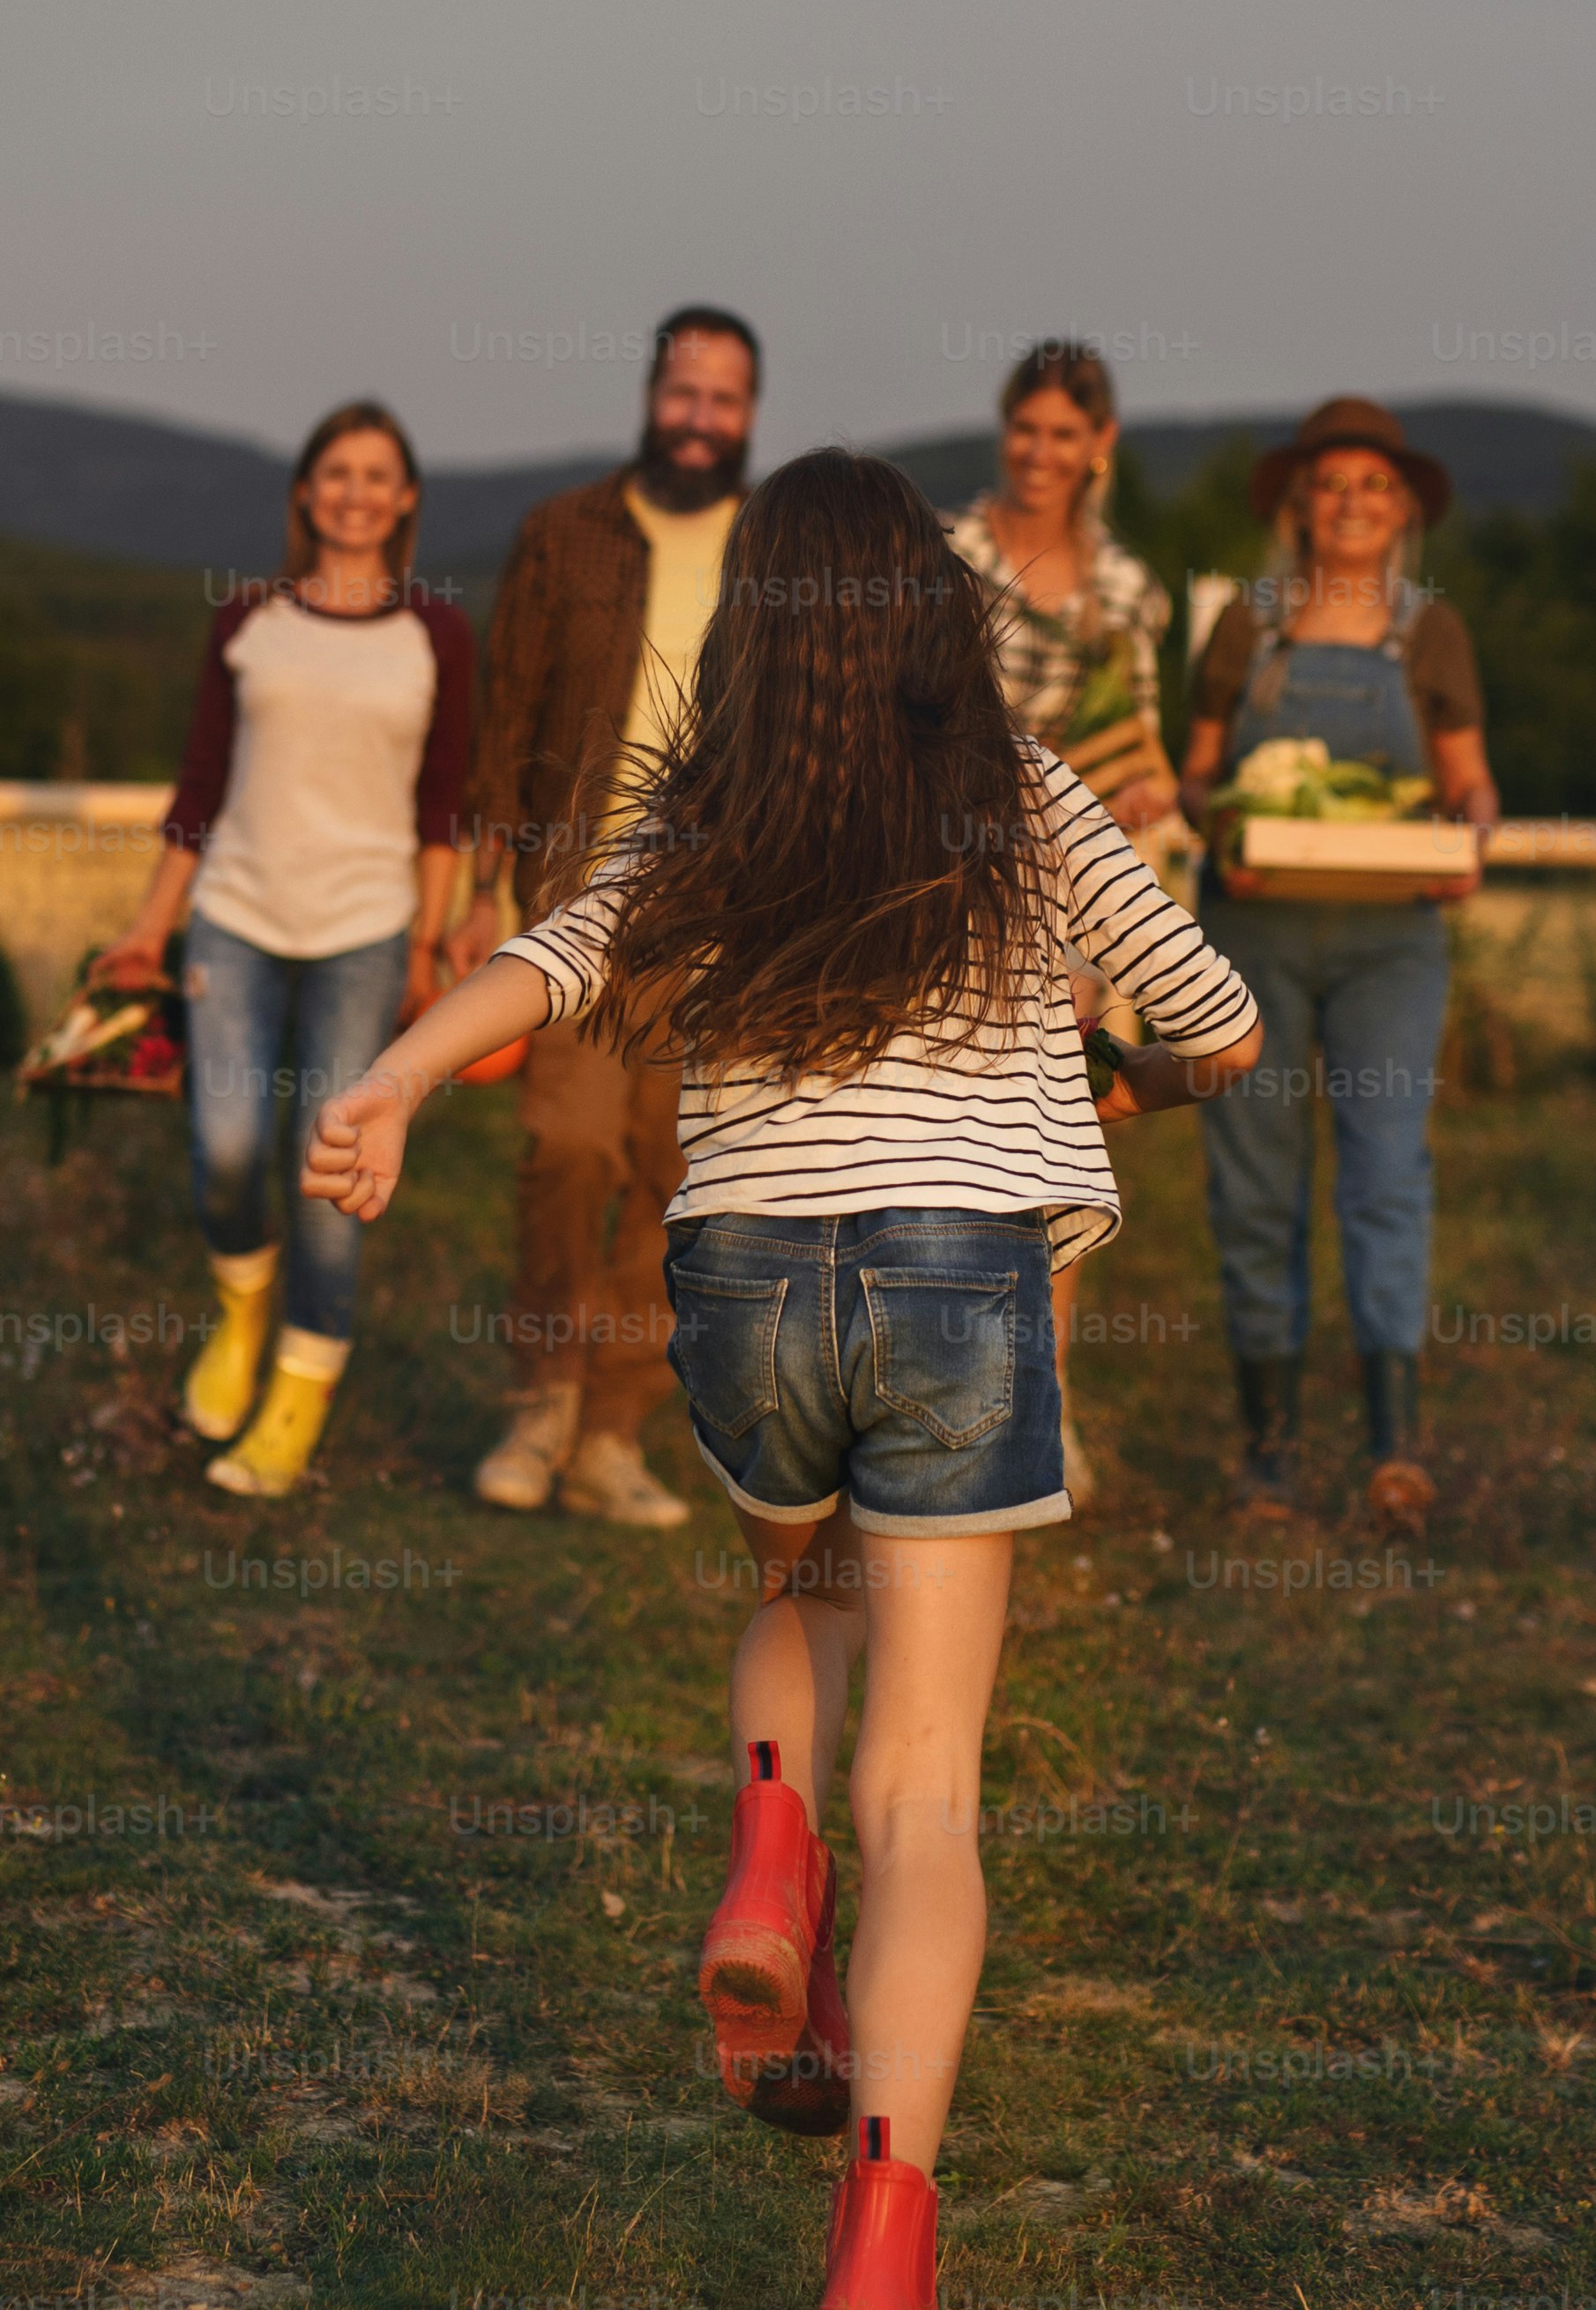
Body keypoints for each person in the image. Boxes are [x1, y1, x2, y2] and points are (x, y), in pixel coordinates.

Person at [310, 450, 1261, 2310]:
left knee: (794, 1589)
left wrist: (394, 1080)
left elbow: (551, 952)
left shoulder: (713, 809)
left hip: (743, 1278)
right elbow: (1216, 1020)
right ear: (934, 615)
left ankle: (765, 1855)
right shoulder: (1026, 793)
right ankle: (888, 2233)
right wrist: (1111, 1088)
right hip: (958, 1280)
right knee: (926, 1790)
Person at [93, 401, 473, 1498]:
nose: (355, 491)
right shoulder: (247, 620)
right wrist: (147, 925)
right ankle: (241, 1306)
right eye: (335, 472)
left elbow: (441, 805)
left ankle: (300, 1386)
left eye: (378, 475)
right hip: (236, 914)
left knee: (329, 1168)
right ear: (306, 492)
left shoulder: (436, 633)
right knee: (222, 1146)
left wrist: (428, 943)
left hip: (366, 927)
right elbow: (200, 784)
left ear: (405, 499)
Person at [446, 307, 760, 1527]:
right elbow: (507, 709)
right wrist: (481, 896)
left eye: (724, 400)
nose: (699, 419)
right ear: (651, 396)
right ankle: (541, 1399)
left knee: (681, 1177)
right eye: (684, 394)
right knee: (568, 1149)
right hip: (577, 896)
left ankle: (614, 1430)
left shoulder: (775, 550)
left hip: (722, 915)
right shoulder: (564, 534)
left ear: (749, 415)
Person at [1175, 398, 1499, 1526]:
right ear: (1298, 505)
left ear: (1402, 505)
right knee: (1257, 1186)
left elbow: (1468, 778)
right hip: (1251, 933)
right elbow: (1200, 772)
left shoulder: (1431, 633)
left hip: (1391, 942)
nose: (1351, 501)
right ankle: (1268, 1456)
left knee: (1386, 1176)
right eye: (1331, 483)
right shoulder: (1247, 629)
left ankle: (1393, 1447)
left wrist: (1471, 838)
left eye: (1373, 483)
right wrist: (1225, 828)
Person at [940, 339, 1177, 1509]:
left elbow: (1146, 746)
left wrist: (1139, 795)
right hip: (953, 886)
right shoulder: (952, 556)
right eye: (1024, 430)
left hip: (1071, 901)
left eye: (1063, 436)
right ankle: (933, 1389)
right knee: (941, 1147)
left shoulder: (1132, 593)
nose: (1040, 454)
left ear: (1101, 448)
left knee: (1058, 1145)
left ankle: (1046, 1405)